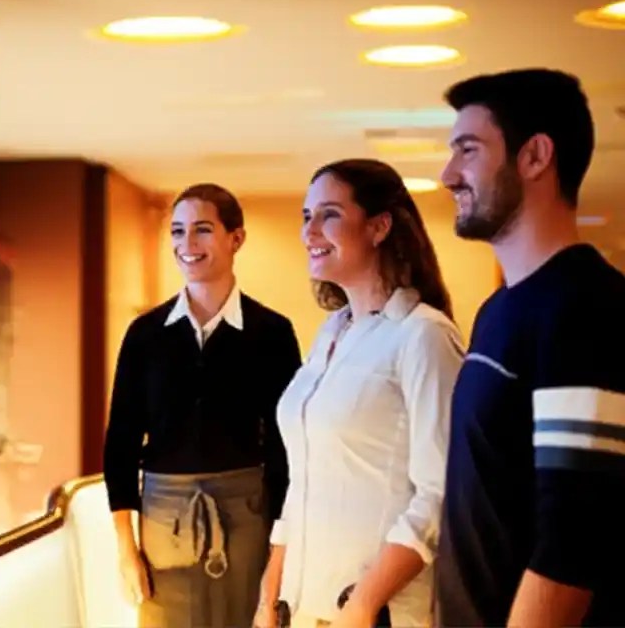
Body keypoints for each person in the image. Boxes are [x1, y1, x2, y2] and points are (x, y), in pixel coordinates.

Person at [436, 69, 625, 627]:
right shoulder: (499, 310)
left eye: (468, 150)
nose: (448, 175)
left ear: (536, 156)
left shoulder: (586, 307)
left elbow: (573, 543)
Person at [256, 159, 464, 628]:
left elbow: (440, 492)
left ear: (379, 226)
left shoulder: (423, 336)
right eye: (305, 216)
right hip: (301, 607)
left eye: (328, 214)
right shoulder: (331, 335)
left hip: (377, 611)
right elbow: (304, 481)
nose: (310, 231)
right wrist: (269, 597)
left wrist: (365, 604)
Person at [104, 183, 302, 628]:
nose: (186, 245)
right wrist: (125, 548)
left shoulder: (271, 333)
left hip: (248, 516)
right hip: (162, 522)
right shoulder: (145, 335)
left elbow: (286, 452)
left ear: (237, 238)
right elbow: (120, 444)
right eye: (177, 232)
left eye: (202, 230)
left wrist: (280, 558)